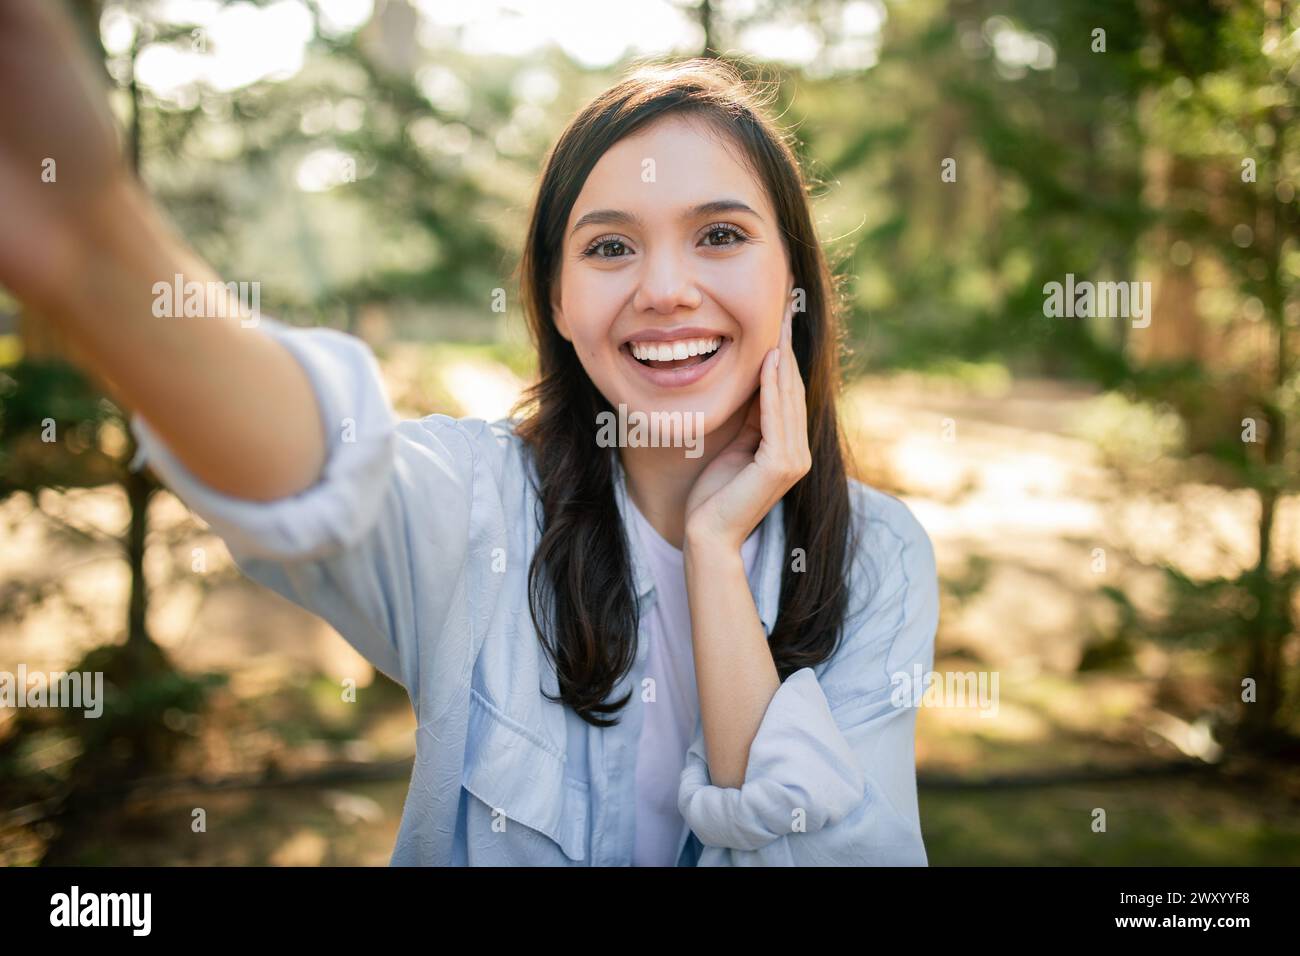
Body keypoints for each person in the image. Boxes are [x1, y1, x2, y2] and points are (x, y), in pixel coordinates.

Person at [0, 0, 939, 866]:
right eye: (610, 246)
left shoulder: (878, 558)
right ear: (559, 301)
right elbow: (319, 471)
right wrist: (96, 244)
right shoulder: (478, 508)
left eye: (721, 235)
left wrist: (713, 551)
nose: (663, 289)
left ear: (794, 283)